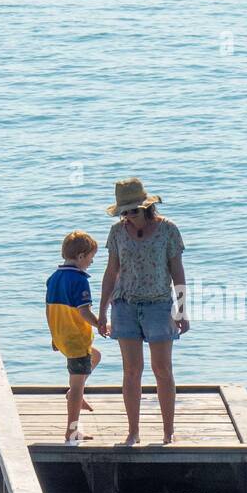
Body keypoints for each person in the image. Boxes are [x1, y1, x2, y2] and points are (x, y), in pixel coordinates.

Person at [97, 177, 189, 446]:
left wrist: (182, 310)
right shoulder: (116, 232)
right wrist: (102, 310)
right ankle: (133, 431)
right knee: (131, 371)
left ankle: (168, 432)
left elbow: (178, 272)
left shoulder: (168, 230)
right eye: (123, 212)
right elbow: (111, 271)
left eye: (132, 211)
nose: (127, 216)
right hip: (124, 305)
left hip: (159, 305)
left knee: (162, 369)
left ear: (147, 208)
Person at [46, 231, 104, 444]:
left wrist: (54, 335)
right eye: (90, 257)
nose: (91, 261)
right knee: (78, 384)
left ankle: (74, 394)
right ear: (81, 257)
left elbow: (48, 310)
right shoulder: (79, 280)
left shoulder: (53, 278)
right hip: (76, 340)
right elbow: (84, 313)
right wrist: (101, 324)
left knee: (95, 357)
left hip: (61, 336)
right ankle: (71, 431)